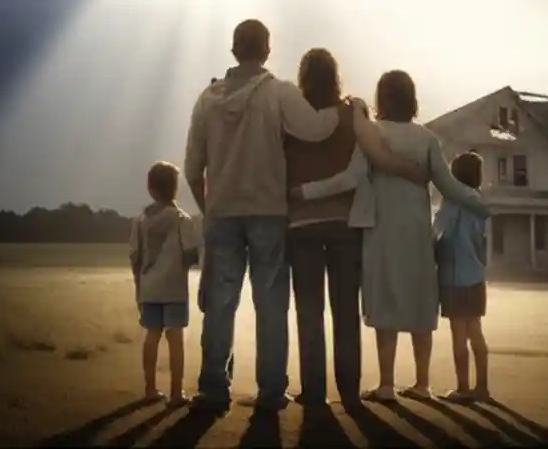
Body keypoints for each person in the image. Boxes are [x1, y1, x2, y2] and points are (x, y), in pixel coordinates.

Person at [184, 20, 405, 414]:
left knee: (221, 303)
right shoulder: (279, 94)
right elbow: (318, 129)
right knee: (272, 304)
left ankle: (213, 388)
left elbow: (191, 168)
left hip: (226, 214)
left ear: (233, 50)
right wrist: (351, 109)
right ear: (267, 50)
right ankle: (274, 391)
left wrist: (209, 210)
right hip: (270, 211)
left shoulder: (206, 99)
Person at [295, 70, 489, 403]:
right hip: (417, 232)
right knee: (419, 302)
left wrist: (305, 191)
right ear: (412, 99)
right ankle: (422, 383)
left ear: (381, 98)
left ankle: (386, 384)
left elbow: (349, 179)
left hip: (380, 230)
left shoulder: (372, 134)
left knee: (385, 300)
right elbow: (448, 185)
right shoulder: (426, 138)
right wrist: (482, 204)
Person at [283, 48, 429, 407]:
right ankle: (349, 392)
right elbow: (358, 172)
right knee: (345, 311)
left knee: (309, 312)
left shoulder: (289, 118)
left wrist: (300, 192)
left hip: (301, 224)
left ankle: (314, 391)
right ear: (336, 75)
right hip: (344, 226)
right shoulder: (354, 113)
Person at [128, 161, 199, 408]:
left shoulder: (139, 221)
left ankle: (149, 389)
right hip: (174, 289)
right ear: (175, 188)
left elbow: (134, 257)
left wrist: (139, 284)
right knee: (175, 338)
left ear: (150, 188)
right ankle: (176, 394)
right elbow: (191, 254)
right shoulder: (182, 219)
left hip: (148, 288)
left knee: (152, 335)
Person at [434, 152, 493, 403]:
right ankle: (482, 387)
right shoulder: (479, 204)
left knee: (458, 333)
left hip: (454, 277)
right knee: (476, 331)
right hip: (476, 275)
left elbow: (438, 234)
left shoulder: (452, 202)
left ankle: (462, 388)